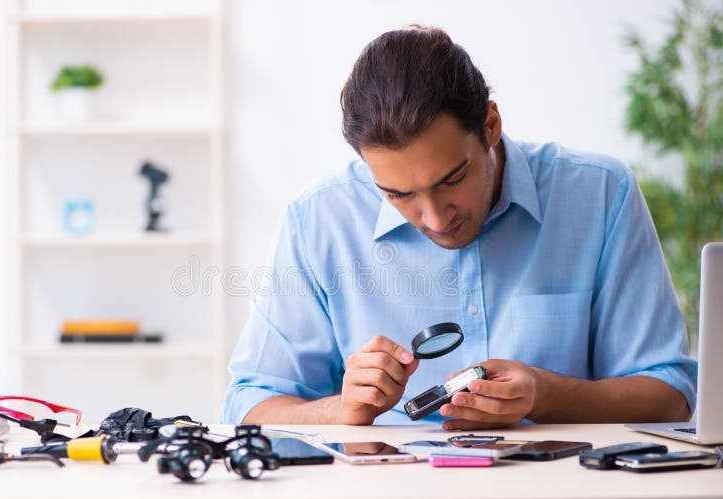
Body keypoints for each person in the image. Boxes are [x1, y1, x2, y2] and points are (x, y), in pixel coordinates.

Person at [221, 26, 697, 430]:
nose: (434, 217)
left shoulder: (600, 194)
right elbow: (248, 406)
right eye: (397, 194)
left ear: (490, 124)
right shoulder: (318, 220)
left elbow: (671, 396)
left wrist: (549, 394)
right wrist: (340, 410)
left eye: (452, 179)